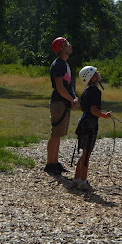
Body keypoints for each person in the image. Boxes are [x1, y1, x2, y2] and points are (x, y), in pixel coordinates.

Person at [72, 66, 112, 191]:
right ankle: (83, 182)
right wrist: (104, 115)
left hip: (83, 122)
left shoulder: (86, 90)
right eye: (96, 72)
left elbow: (82, 108)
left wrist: (97, 112)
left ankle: (76, 179)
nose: (99, 73)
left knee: (84, 152)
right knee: (87, 154)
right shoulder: (96, 91)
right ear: (92, 77)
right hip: (90, 125)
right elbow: (94, 110)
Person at [44, 37, 78, 175]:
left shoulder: (64, 64)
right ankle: (49, 163)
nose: (70, 46)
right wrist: (71, 99)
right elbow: (60, 87)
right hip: (59, 102)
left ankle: (55, 162)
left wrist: (73, 97)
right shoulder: (59, 64)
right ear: (62, 48)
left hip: (63, 102)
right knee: (55, 133)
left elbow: (67, 86)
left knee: (59, 134)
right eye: (67, 44)